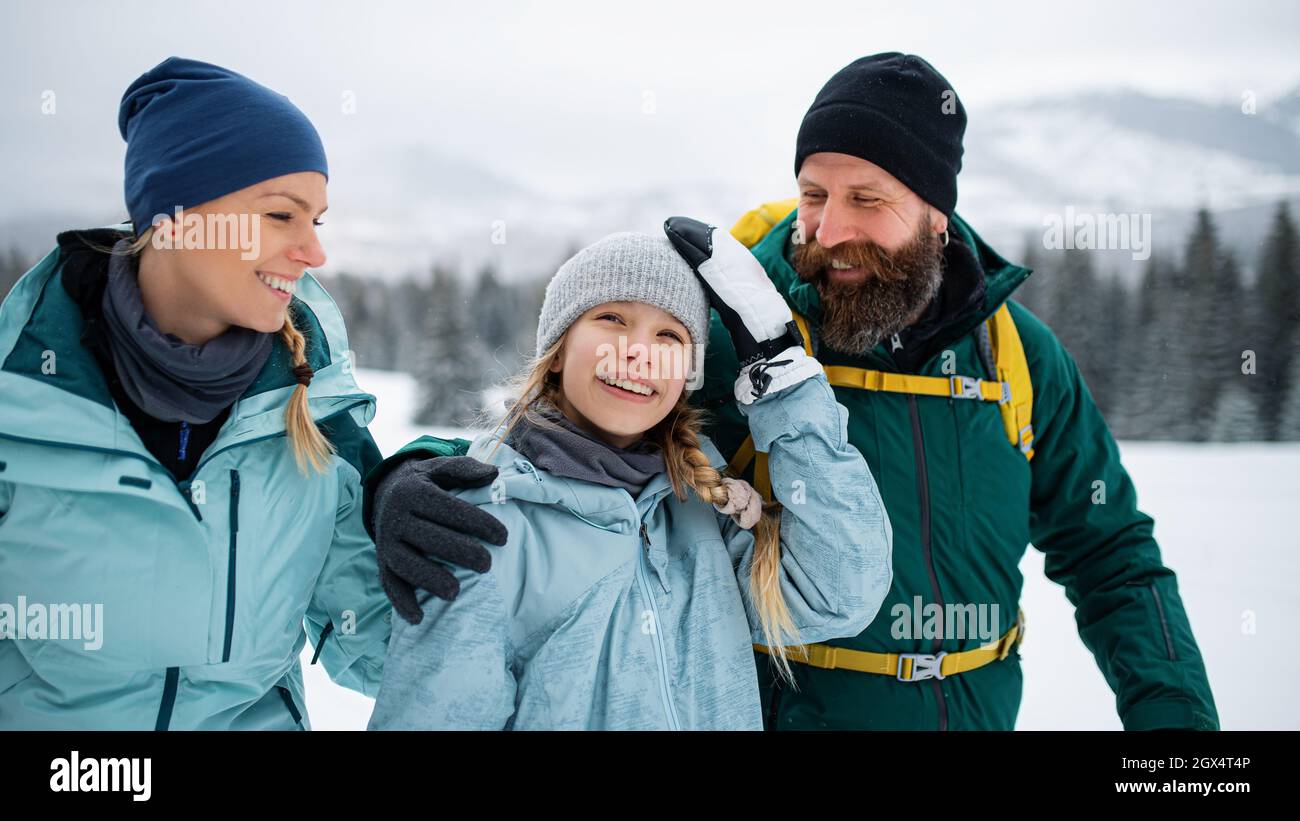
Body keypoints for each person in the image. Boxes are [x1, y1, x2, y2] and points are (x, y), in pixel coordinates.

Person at [365, 53, 1218, 731]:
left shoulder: (1016, 356)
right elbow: (592, 421)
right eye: (814, 195)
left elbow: (1112, 553)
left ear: (936, 216)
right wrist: (406, 476)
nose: (830, 229)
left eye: (867, 200)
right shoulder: (743, 322)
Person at [366, 225, 892, 729]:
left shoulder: (703, 508)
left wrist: (783, 378)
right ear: (556, 351)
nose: (637, 351)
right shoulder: (485, 525)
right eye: (612, 320)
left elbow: (838, 595)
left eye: (668, 334)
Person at [0, 57, 389, 729]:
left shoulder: (315, 412)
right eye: (279, 215)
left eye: (316, 222)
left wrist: (436, 499)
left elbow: (390, 642)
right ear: (177, 216)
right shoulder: (20, 405)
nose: (312, 253)